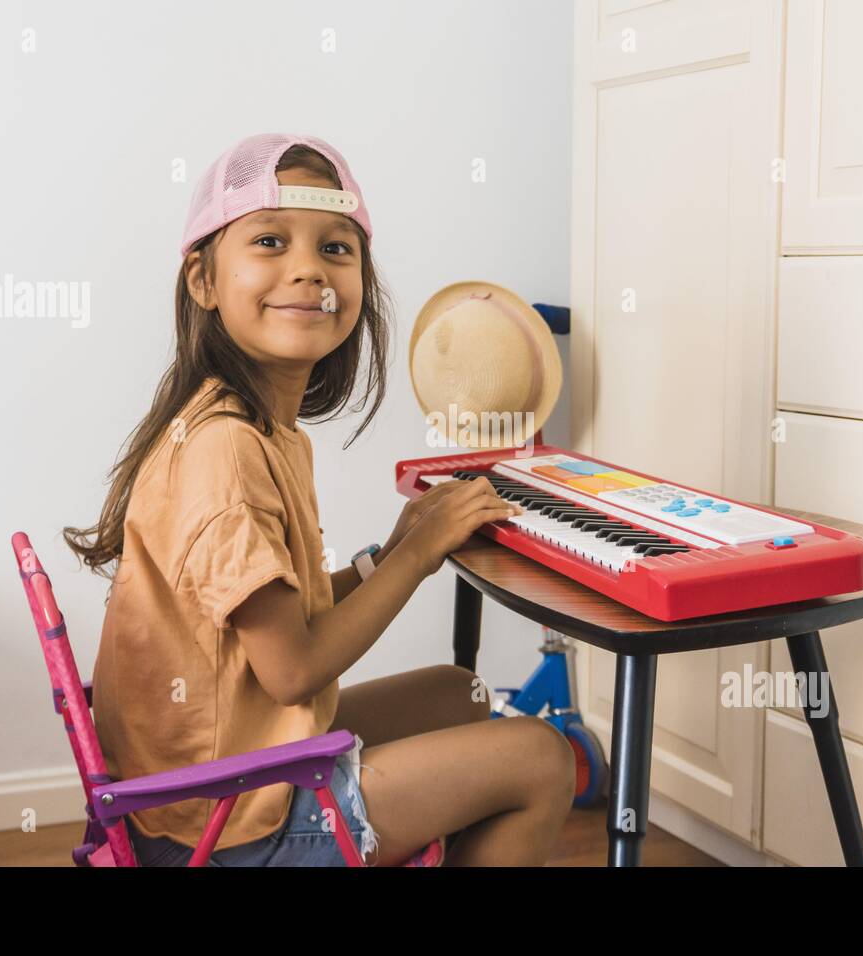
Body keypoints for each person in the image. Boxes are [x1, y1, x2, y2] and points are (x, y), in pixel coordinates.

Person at [63, 133, 576, 866]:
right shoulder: (225, 451)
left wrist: (386, 556)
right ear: (203, 280)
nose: (308, 268)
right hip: (222, 826)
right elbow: (295, 670)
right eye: (271, 240)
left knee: (458, 694)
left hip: (215, 774)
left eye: (337, 249)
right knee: (540, 758)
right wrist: (422, 557)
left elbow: (275, 621)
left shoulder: (252, 426)